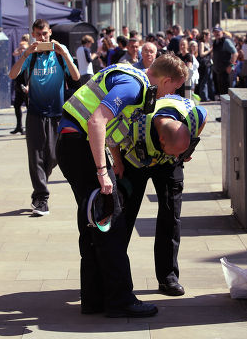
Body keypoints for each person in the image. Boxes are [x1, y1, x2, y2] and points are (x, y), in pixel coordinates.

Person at [56, 53, 188, 318]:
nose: (172, 93)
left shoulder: (132, 77)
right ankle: (119, 300)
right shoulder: (134, 86)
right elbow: (96, 122)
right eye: (174, 87)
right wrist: (102, 171)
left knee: (94, 223)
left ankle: (94, 299)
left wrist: (115, 158)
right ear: (166, 80)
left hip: (72, 145)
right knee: (111, 225)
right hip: (79, 147)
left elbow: (111, 125)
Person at [114, 95, 207, 296]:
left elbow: (204, 115)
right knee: (123, 217)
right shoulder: (136, 120)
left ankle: (168, 277)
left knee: (171, 215)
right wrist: (117, 162)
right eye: (174, 152)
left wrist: (186, 149)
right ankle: (113, 278)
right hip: (134, 162)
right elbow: (110, 131)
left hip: (167, 166)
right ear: (162, 139)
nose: (177, 156)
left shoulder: (191, 117)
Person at [8, 19, 80, 216]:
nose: (42, 38)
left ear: (50, 33)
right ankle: (41, 198)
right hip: (35, 113)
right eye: (39, 35)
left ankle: (39, 187)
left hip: (57, 113)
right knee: (36, 156)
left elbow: (75, 76)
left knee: (55, 155)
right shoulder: (30, 56)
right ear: (33, 35)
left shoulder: (59, 53)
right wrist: (25, 54)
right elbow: (12, 74)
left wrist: (64, 53)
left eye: (45, 34)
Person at [11, 40, 30, 134]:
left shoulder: (29, 59)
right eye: (20, 48)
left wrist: (28, 85)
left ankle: (29, 128)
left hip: (26, 86)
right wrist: (19, 50)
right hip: (19, 85)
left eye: (24, 48)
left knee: (28, 107)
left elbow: (29, 74)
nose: (21, 50)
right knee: (16, 106)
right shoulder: (20, 59)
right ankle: (19, 126)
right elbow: (13, 53)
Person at [212, 27, 238, 97]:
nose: (217, 33)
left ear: (222, 32)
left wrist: (231, 66)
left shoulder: (226, 41)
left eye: (218, 31)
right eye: (215, 32)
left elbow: (235, 53)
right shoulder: (215, 42)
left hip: (226, 71)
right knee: (222, 94)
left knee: (227, 93)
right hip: (219, 71)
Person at [197, 30, 213, 101]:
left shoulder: (207, 43)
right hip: (204, 64)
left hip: (209, 63)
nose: (210, 37)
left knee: (209, 80)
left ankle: (209, 96)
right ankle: (204, 97)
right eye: (209, 35)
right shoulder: (202, 43)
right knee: (204, 81)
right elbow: (201, 54)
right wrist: (210, 50)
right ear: (205, 36)